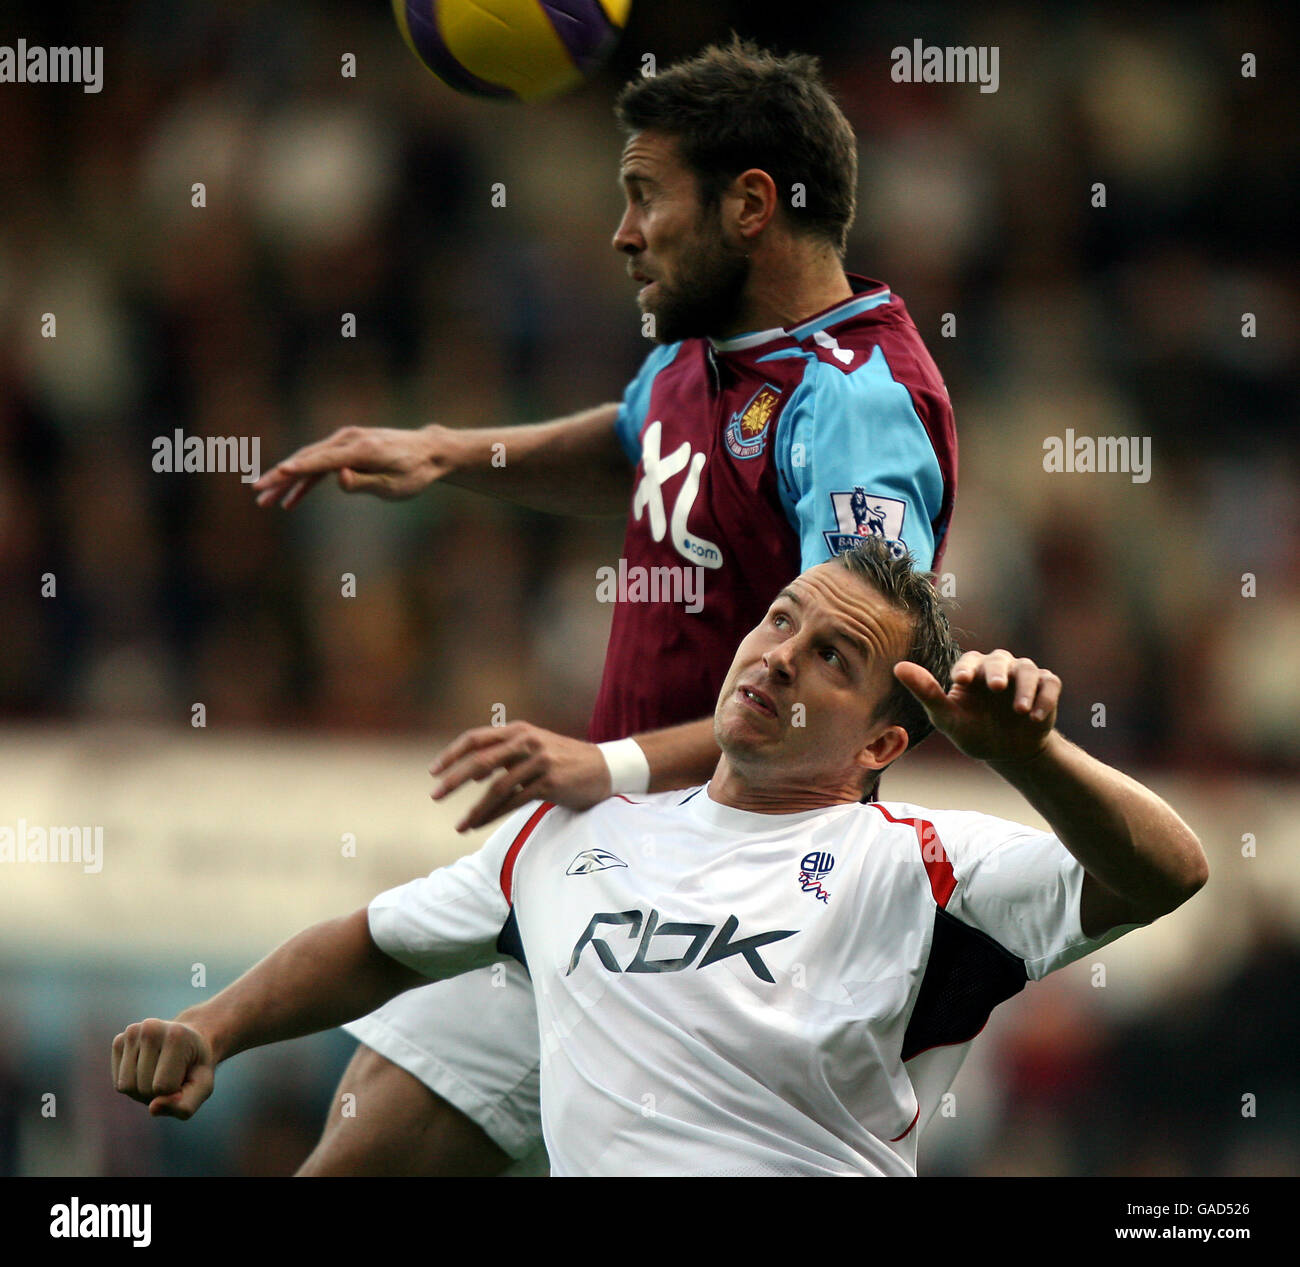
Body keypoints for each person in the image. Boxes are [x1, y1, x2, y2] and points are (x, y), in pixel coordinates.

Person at [251, 39, 957, 1176]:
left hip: (745, 904)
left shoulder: (855, 402)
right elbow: (635, 449)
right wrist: (448, 450)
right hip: (616, 859)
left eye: (642, 196)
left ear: (749, 206)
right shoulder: (697, 356)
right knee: (365, 1134)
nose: (622, 233)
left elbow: (870, 667)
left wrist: (612, 765)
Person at [111, 538, 1207, 1175]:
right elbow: (376, 941)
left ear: (880, 743)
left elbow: (1169, 872)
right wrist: (215, 1026)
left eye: (832, 656)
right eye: (779, 620)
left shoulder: (924, 864)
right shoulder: (571, 831)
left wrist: (1038, 755)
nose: (778, 656)